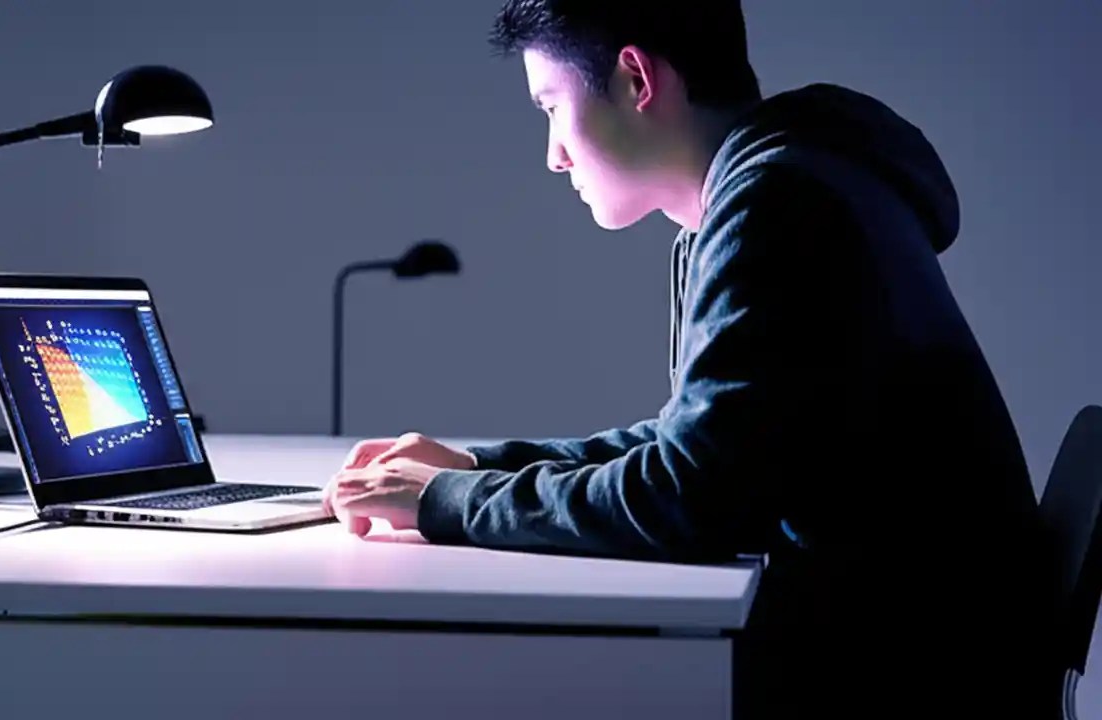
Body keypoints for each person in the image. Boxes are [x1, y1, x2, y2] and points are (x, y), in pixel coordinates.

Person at [322, 1, 1053, 715]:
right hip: (894, 644)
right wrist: (480, 468)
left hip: (896, 675)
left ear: (636, 80)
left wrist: (445, 503)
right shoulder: (780, 185)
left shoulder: (777, 204)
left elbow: (692, 496)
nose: (552, 155)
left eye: (550, 107)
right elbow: (702, 447)